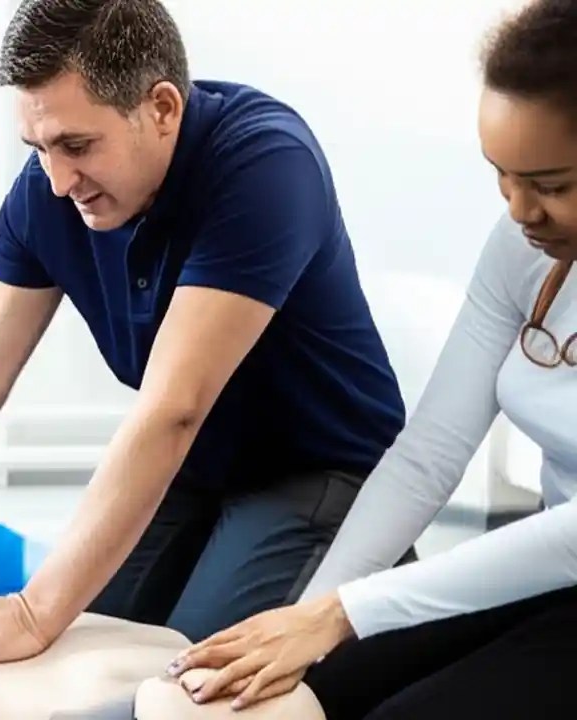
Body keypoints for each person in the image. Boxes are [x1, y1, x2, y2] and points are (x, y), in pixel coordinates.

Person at [0, 0, 409, 675]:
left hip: (320, 473)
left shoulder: (265, 164)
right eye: (38, 147)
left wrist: (30, 612)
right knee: (71, 654)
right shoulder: (46, 192)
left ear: (162, 108)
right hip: (196, 472)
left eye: (76, 146)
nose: (56, 180)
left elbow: (174, 408)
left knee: (182, 680)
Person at [165, 1, 577, 717]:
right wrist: (309, 619)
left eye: (551, 185)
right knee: (310, 686)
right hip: (545, 569)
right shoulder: (521, 249)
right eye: (502, 177)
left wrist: (343, 612)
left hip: (561, 557)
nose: (518, 210)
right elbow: (429, 452)